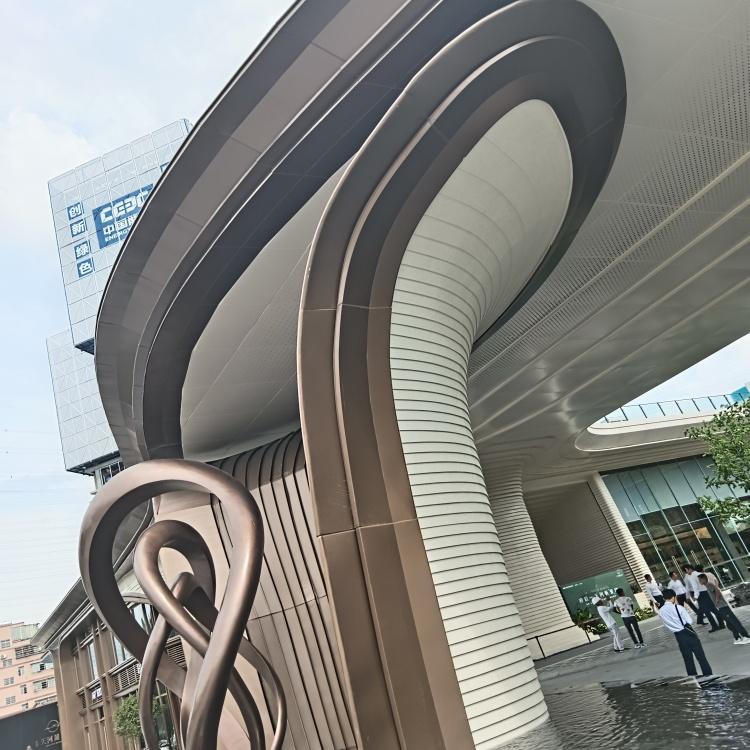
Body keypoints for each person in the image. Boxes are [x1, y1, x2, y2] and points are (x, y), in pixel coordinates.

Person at [658, 588, 712, 677]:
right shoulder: (678, 607)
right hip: (688, 633)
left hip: (678, 636)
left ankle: (693, 678)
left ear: (664, 598)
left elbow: (666, 625)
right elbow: (689, 621)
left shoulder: (660, 611)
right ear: (674, 597)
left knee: (688, 660)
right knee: (701, 658)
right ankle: (709, 677)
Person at [699, 573, 750, 645]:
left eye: (700, 580)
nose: (699, 581)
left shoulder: (709, 584)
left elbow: (717, 590)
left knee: (734, 622)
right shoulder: (707, 585)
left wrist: (717, 600)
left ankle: (746, 636)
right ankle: (737, 637)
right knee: (729, 624)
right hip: (720, 607)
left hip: (723, 606)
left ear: (704, 579)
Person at [691, 568, 724, 632]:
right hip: (707, 593)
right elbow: (715, 581)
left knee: (708, 612)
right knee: (713, 609)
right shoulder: (704, 574)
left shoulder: (693, 576)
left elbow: (695, 588)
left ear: (687, 569)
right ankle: (721, 624)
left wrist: (695, 597)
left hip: (701, 595)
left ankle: (715, 626)